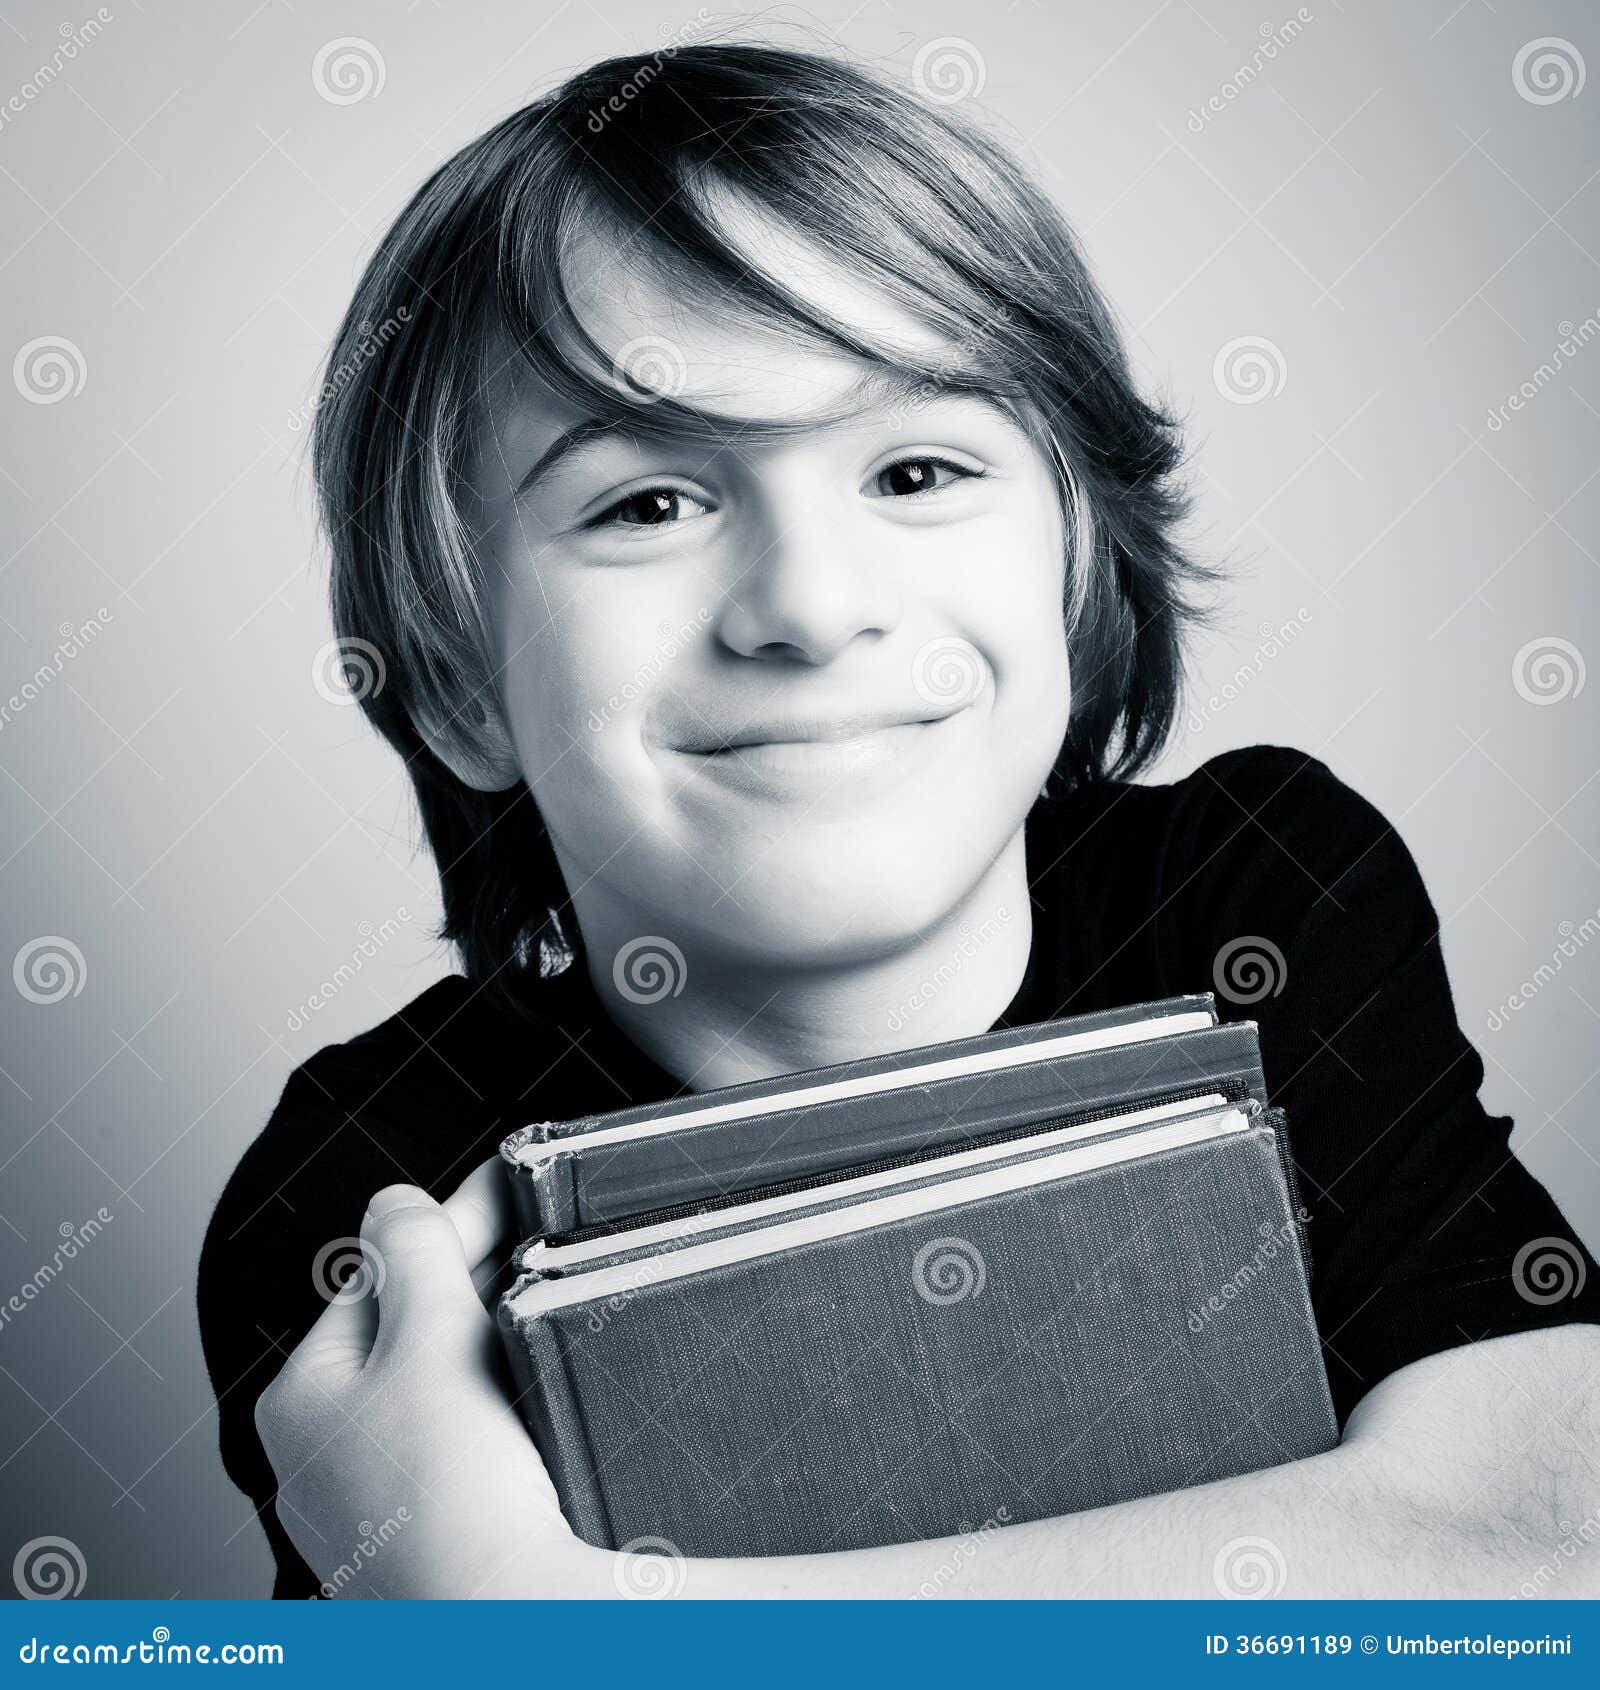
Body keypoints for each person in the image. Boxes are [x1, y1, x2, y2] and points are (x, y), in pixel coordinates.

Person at [198, 42, 1600, 1599]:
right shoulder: (368, 1191)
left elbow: (1543, 1545)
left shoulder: (1259, 899)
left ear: (1070, 572)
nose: (811, 604)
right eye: (647, 503)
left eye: (917, 467)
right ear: (458, 681)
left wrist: (569, 1615)